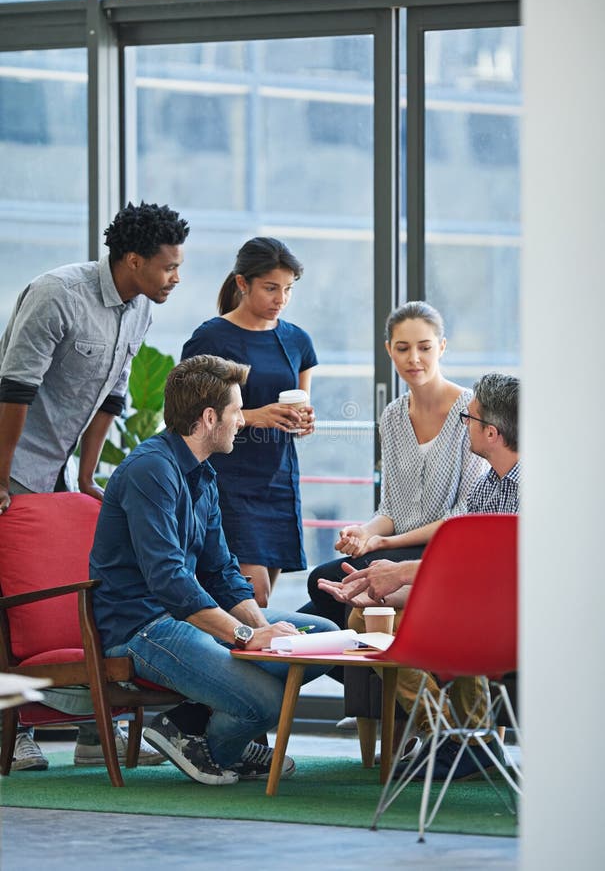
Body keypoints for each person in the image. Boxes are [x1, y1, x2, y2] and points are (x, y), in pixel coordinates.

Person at [0, 200, 190, 771]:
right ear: (133, 259)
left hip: (56, 470)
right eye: (168, 267)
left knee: (75, 588)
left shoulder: (139, 310)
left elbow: (113, 395)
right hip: (9, 461)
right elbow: (13, 387)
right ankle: (10, 729)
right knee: (11, 605)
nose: (176, 279)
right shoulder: (57, 294)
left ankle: (91, 723)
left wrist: (85, 476)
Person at [90, 354, 338, 786]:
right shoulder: (152, 470)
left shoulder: (202, 473)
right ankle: (214, 745)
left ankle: (184, 723)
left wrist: (263, 632)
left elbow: (222, 570)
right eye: (237, 411)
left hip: (186, 621)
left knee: (317, 637)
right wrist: (245, 636)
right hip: (143, 628)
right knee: (267, 702)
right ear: (209, 417)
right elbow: (168, 578)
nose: (242, 420)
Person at [318, 372, 520, 781]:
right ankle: (452, 735)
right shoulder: (487, 487)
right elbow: (463, 582)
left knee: (450, 619)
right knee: (363, 619)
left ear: (493, 433)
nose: (464, 425)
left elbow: (495, 576)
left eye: (471, 419)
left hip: (511, 619)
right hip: (473, 610)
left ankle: (463, 740)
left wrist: (403, 572)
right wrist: (379, 593)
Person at [301, 301, 488, 629]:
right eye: (403, 348)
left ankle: (391, 678)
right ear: (389, 350)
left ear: (441, 347)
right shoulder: (392, 416)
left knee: (323, 582)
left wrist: (385, 543)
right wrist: (365, 531)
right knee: (310, 617)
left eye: (424, 347)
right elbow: (390, 509)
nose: (414, 358)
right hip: (397, 546)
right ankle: (385, 680)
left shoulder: (469, 411)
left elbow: (463, 516)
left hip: (443, 549)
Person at [181, 237, 317, 607]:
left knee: (262, 601)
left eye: (288, 289)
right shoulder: (211, 338)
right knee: (249, 598)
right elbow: (192, 417)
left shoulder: (297, 341)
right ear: (243, 284)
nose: (281, 299)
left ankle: (245, 662)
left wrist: (303, 421)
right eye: (271, 288)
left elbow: (301, 405)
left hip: (279, 481)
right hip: (230, 481)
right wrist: (256, 416)